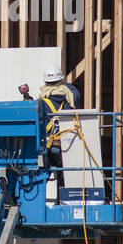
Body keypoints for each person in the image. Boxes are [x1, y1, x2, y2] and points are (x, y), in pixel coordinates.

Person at [37, 66, 82, 202]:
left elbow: (38, 124)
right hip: (67, 145)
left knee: (41, 175)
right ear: (61, 80)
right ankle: (64, 202)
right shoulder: (69, 96)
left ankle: (39, 204)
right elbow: (76, 97)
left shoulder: (41, 101)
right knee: (65, 177)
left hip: (47, 146)